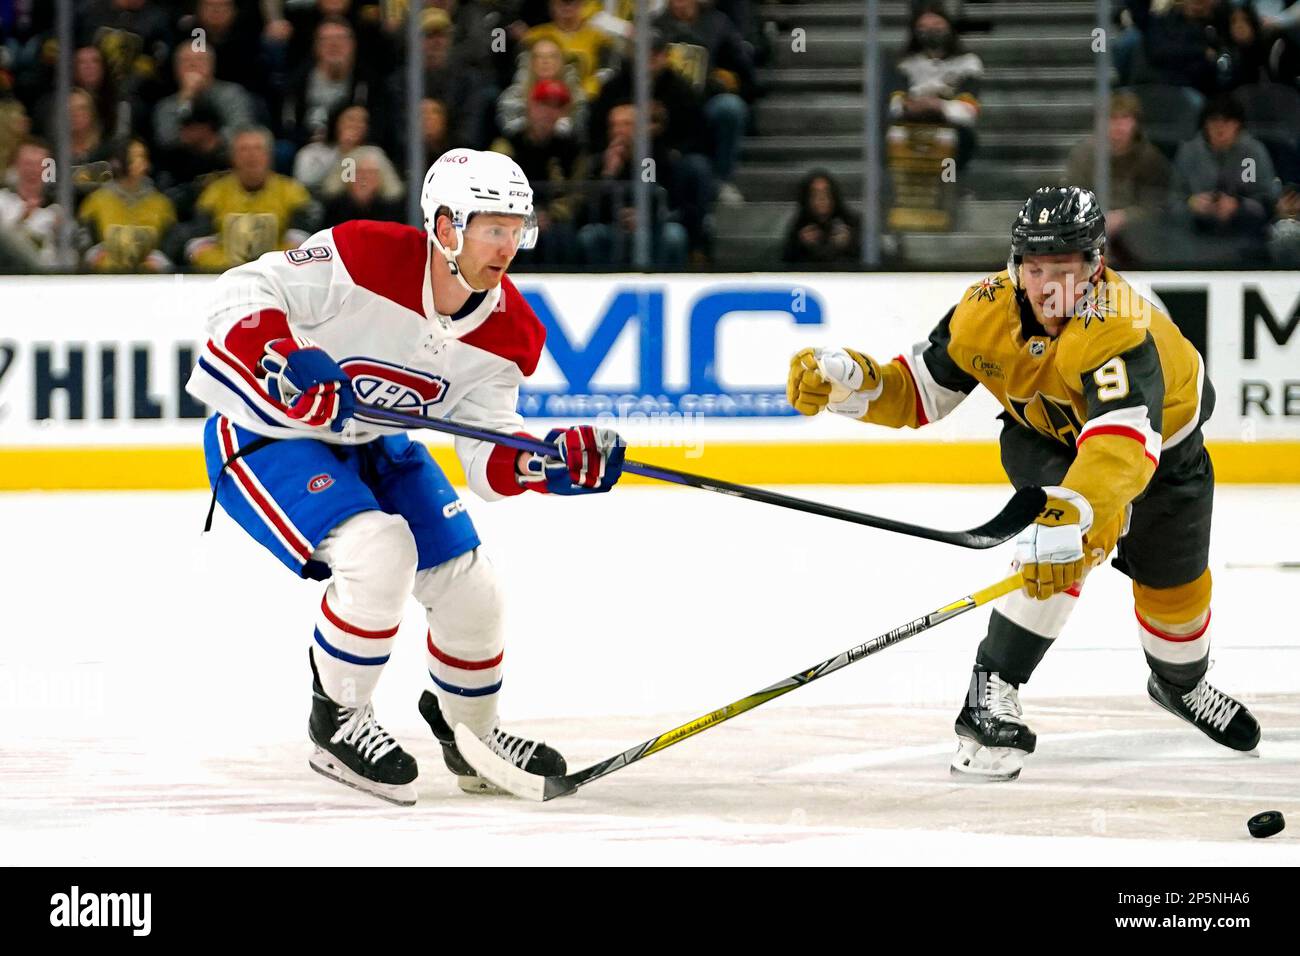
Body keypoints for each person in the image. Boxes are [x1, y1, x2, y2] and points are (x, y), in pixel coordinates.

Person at [184, 148, 626, 805]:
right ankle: (338, 718)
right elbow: (242, 290)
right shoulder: (365, 255)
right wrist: (284, 355)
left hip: (374, 443)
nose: (508, 246)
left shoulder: (511, 331)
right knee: (378, 551)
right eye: (492, 228)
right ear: (445, 228)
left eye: (516, 229)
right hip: (266, 433)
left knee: (474, 589)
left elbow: (487, 453)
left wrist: (548, 462)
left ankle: (472, 735)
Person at [787, 186, 1261, 781]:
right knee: (1059, 548)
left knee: (1177, 604)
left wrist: (1082, 506)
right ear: (1016, 266)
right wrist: (854, 386)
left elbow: (1121, 443)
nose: (1047, 286)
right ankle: (990, 693)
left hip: (1165, 460)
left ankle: (1179, 685)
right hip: (1044, 441)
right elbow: (920, 392)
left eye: (1063, 269)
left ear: (1095, 266)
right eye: (1036, 268)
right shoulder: (984, 309)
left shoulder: (1119, 324)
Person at [185, 125, 317, 272]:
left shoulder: (293, 192)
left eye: (257, 148)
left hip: (276, 275)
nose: (251, 156)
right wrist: (234, 269)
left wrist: (264, 267)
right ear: (232, 157)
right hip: (224, 274)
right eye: (243, 149)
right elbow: (198, 247)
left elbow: (300, 245)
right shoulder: (214, 193)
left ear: (269, 155)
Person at [888, 3, 983, 171]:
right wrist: (915, 106)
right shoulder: (904, 63)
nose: (931, 32)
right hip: (912, 133)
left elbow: (969, 110)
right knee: (895, 135)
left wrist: (938, 106)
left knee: (949, 142)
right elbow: (895, 105)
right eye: (923, 27)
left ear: (949, 27)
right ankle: (907, 181)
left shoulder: (968, 63)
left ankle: (949, 181)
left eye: (937, 26)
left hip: (953, 134)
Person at [78, 137, 177, 272]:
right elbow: (84, 243)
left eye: (143, 157)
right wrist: (96, 256)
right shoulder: (96, 202)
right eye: (136, 157)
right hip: (106, 275)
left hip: (151, 276)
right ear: (118, 161)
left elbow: (171, 246)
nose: (143, 162)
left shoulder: (161, 203)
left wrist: (159, 261)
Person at [781, 169, 860, 264]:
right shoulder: (799, 227)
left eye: (826, 193)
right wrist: (801, 244)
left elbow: (866, 257)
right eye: (815, 194)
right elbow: (786, 261)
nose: (821, 199)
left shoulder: (851, 222)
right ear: (807, 198)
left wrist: (848, 244)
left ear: (834, 196)